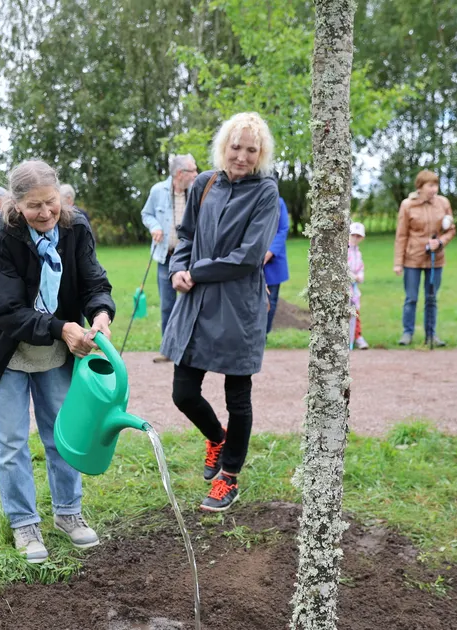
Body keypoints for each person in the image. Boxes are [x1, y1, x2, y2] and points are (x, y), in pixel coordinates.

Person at [0, 159, 115, 563]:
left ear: (60, 197)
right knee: (11, 442)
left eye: (51, 202)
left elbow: (94, 282)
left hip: (56, 345)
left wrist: (101, 313)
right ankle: (24, 523)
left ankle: (68, 514)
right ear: (16, 204)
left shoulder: (75, 226)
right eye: (34, 206)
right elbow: (6, 309)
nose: (46, 213)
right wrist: (63, 328)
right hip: (5, 346)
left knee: (61, 433)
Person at [162, 112, 279, 513]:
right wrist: (179, 267)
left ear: (260, 153)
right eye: (236, 147)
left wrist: (195, 271)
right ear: (223, 146)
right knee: (183, 392)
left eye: (251, 149)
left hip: (237, 308)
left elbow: (248, 257)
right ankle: (216, 437)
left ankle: (229, 477)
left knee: (238, 397)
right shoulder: (203, 183)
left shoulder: (266, 191)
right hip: (196, 304)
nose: (242, 156)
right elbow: (187, 236)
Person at [141, 154, 199, 363]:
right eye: (193, 171)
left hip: (189, 260)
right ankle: (167, 349)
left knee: (190, 303)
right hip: (165, 257)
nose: (196, 174)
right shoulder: (158, 191)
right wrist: (155, 227)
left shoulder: (196, 190)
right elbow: (146, 214)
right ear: (180, 174)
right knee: (167, 305)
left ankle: (188, 348)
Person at [393, 170, 456, 346]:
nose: (434, 189)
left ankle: (431, 334)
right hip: (412, 258)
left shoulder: (443, 203)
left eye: (435, 185)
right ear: (420, 187)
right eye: (430, 185)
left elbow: (451, 229)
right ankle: (407, 333)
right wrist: (398, 262)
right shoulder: (407, 205)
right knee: (411, 298)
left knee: (431, 298)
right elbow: (401, 235)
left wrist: (441, 242)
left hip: (436, 259)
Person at [264, 196, 290, 332]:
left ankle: (264, 335)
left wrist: (269, 253)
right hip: (249, 258)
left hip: (272, 263)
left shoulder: (279, 202)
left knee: (270, 302)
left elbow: (283, 229)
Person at [348, 222, 369, 349]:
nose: (355, 238)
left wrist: (359, 276)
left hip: (354, 287)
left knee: (355, 312)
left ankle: (357, 336)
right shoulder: (345, 249)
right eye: (353, 235)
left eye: (358, 236)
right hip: (344, 287)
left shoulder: (358, 253)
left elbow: (360, 267)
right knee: (345, 312)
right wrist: (350, 275)